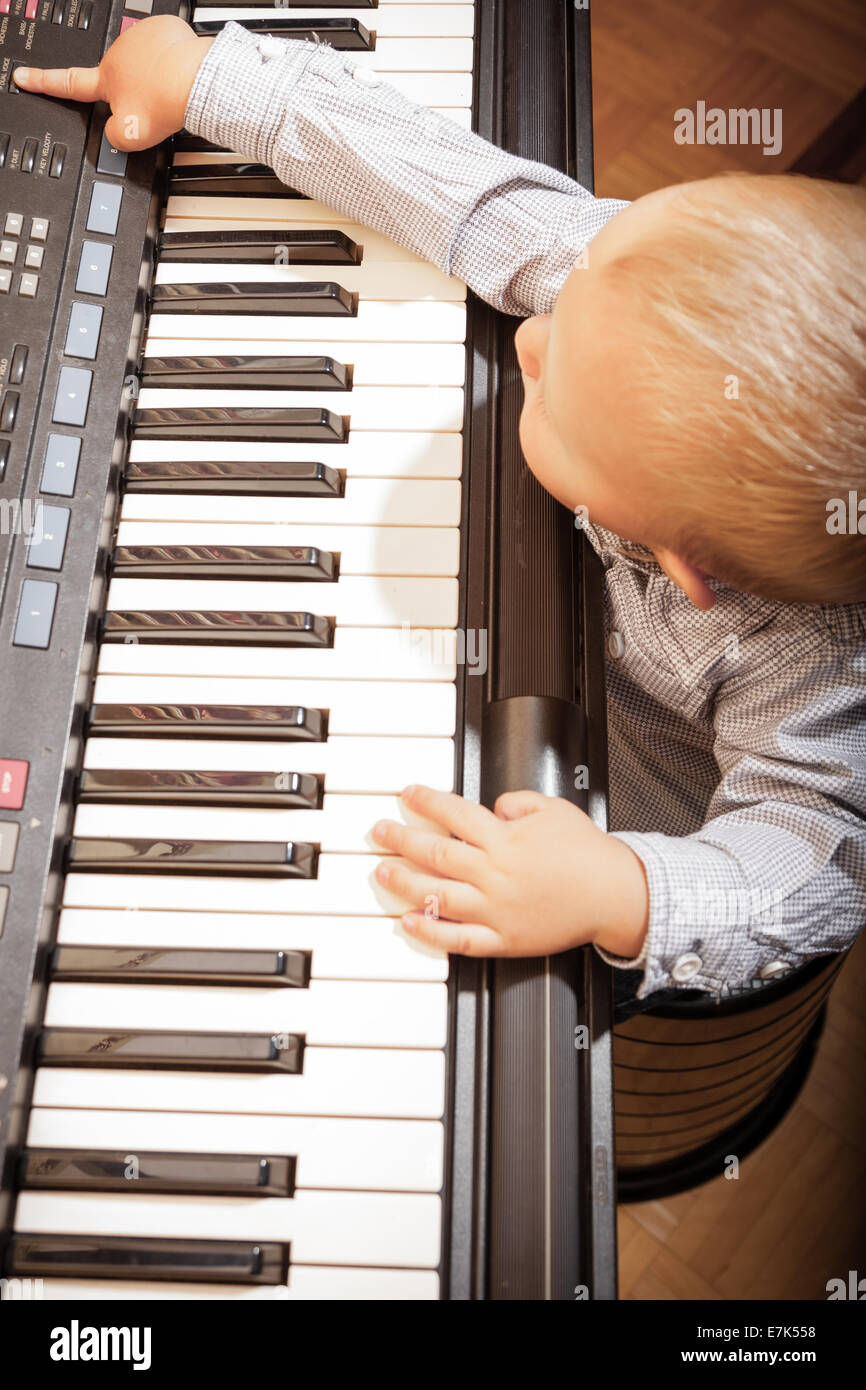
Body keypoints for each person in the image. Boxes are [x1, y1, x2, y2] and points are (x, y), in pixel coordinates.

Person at [15, 16, 865, 1013]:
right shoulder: (639, 296)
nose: (533, 339)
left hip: (615, 820)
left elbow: (820, 860)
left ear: (682, 568)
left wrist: (622, 891)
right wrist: (221, 83)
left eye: (554, 397)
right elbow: (475, 196)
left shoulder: (807, 669)